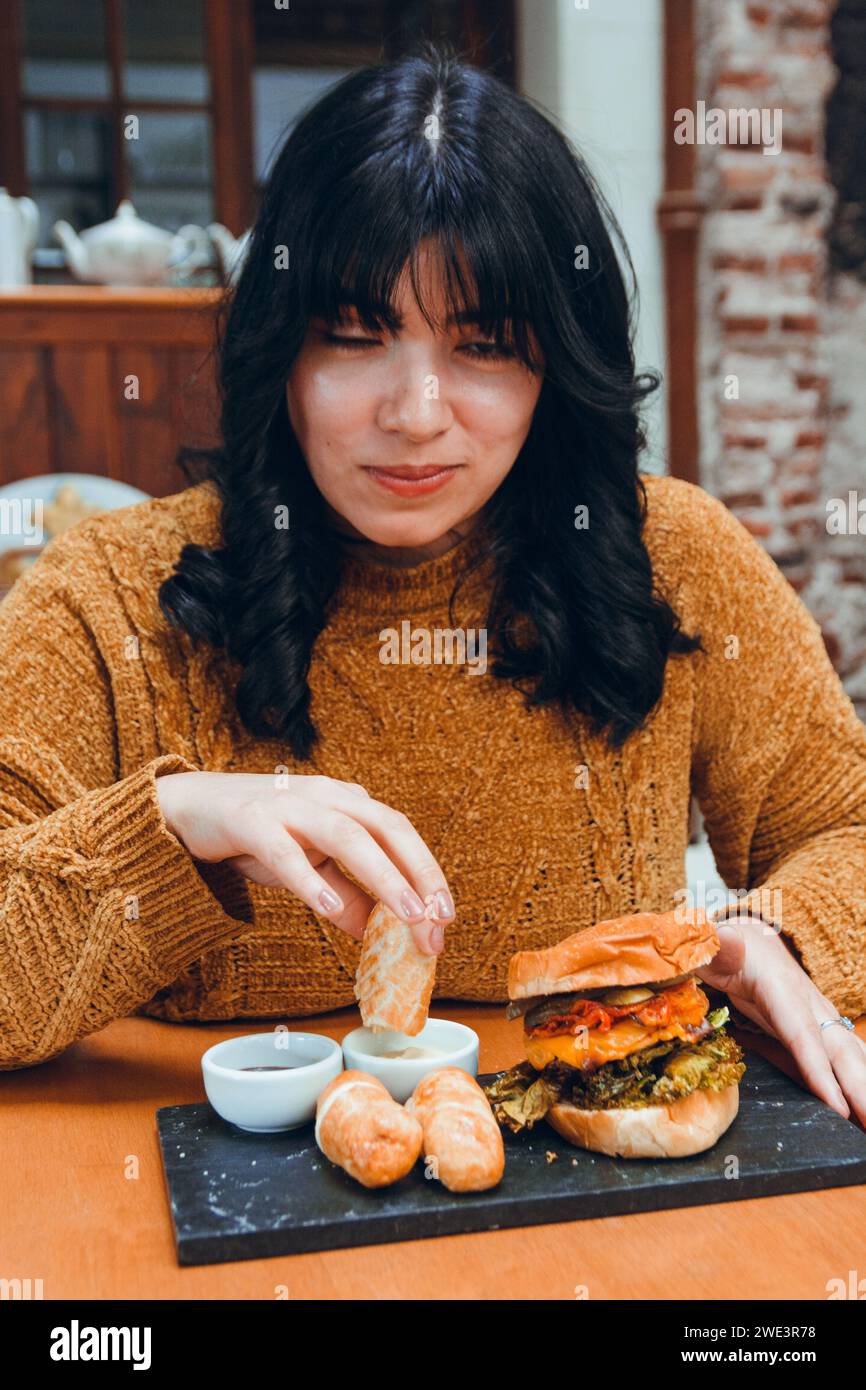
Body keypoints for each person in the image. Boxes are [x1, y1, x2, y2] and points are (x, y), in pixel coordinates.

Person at [1, 44, 864, 1127]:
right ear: (280, 351)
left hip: (581, 1211)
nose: (415, 413)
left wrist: (774, 933)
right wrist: (180, 819)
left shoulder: (670, 557)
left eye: (484, 344)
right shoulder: (108, 597)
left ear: (555, 363)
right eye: (355, 336)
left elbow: (847, 827)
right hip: (208, 1221)